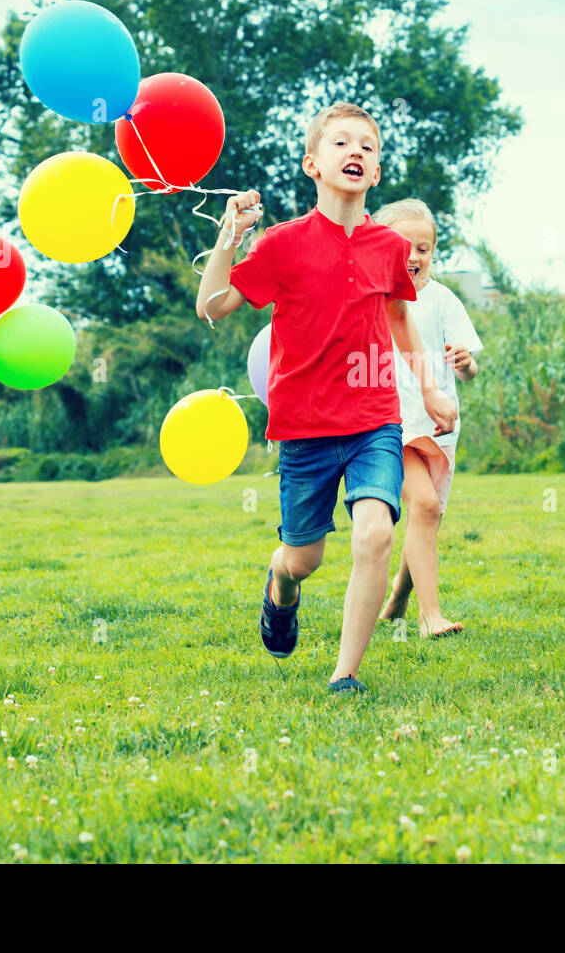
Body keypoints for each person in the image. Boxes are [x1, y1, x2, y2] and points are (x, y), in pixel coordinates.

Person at [195, 102, 458, 693]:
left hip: (373, 421)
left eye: (367, 145)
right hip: (304, 428)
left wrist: (432, 390)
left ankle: (345, 675)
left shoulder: (389, 247)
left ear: (378, 170)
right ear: (313, 164)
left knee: (375, 533)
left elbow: (400, 319)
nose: (356, 152)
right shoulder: (283, 245)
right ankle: (280, 586)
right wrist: (229, 238)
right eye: (341, 143)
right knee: (303, 558)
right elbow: (211, 308)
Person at [373, 198, 483, 639]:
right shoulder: (372, 298)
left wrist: (464, 363)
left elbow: (470, 367)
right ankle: (429, 616)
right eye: (403, 247)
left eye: (424, 248)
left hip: (437, 427)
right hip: (388, 425)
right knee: (424, 504)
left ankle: (397, 600)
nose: (414, 257)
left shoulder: (442, 300)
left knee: (427, 515)